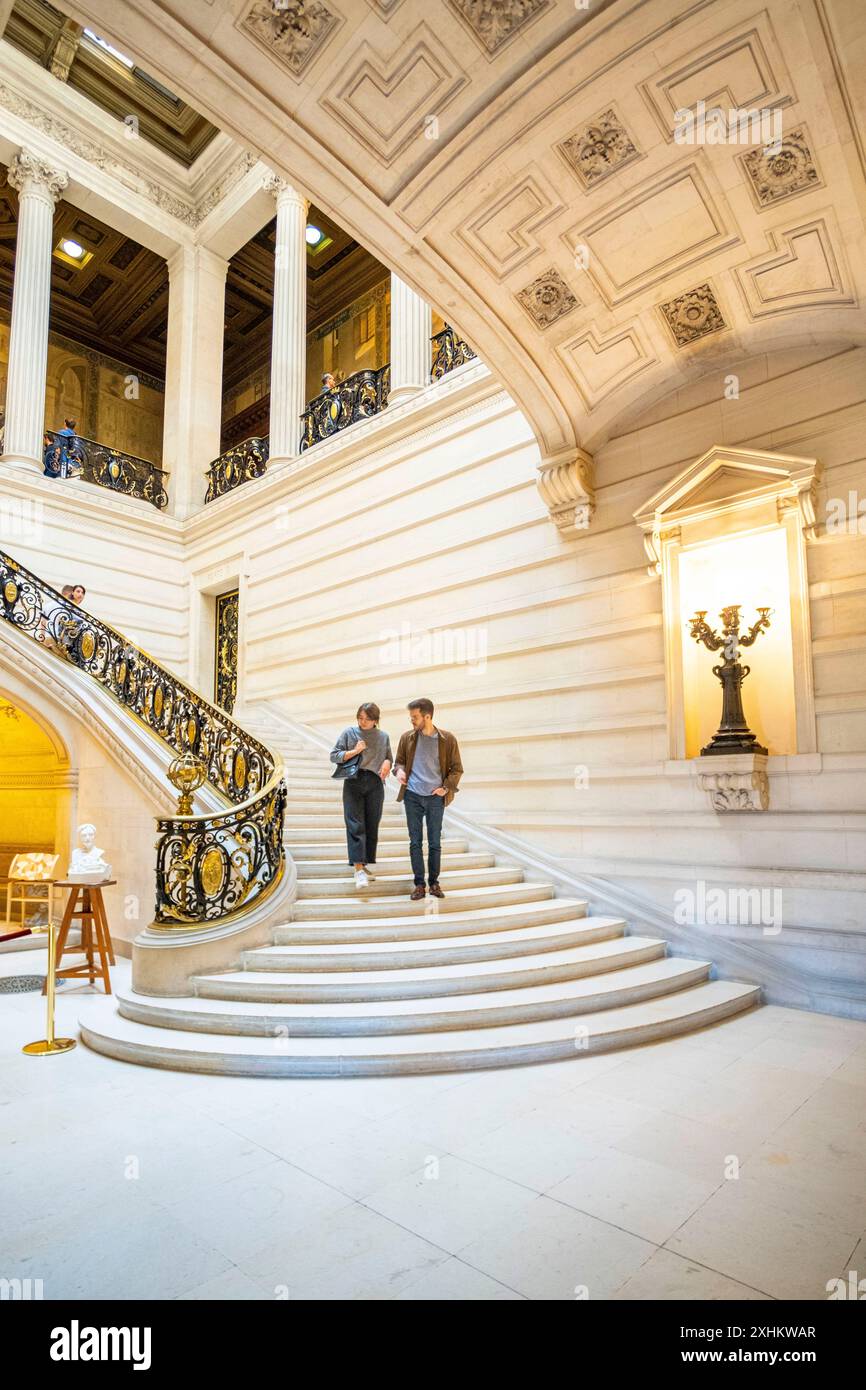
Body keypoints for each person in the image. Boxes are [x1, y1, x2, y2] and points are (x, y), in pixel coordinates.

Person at [393, 698, 463, 901]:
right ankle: (419, 885)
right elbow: (399, 763)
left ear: (427, 716)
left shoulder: (447, 739)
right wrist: (399, 772)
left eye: (415, 717)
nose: (412, 721)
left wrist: (446, 787)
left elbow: (457, 768)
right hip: (412, 796)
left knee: (434, 843)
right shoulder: (407, 738)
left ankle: (434, 882)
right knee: (415, 842)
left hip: (435, 799)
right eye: (411, 717)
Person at [330, 702, 393, 889]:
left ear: (375, 720)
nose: (362, 722)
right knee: (355, 823)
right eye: (360, 717)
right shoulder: (349, 732)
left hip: (375, 782)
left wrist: (388, 763)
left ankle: (363, 865)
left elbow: (389, 756)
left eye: (367, 719)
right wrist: (354, 751)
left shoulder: (383, 736)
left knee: (371, 824)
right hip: (354, 780)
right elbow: (334, 755)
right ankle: (357, 869)